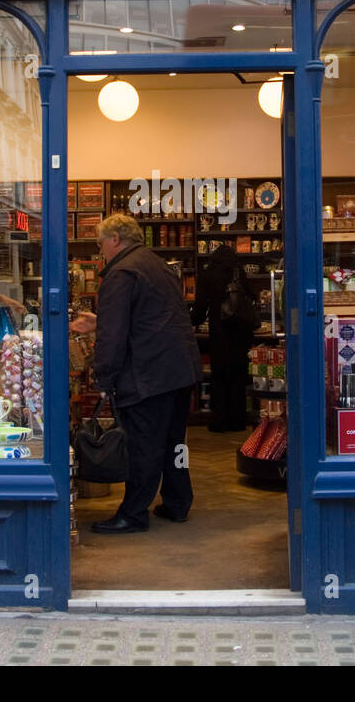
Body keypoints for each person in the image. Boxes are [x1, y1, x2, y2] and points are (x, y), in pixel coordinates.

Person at [69, 213, 202, 534]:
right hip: (179, 370)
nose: (100, 249)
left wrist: (103, 378)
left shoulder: (121, 272)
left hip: (148, 375)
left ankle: (133, 513)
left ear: (115, 239)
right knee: (174, 442)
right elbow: (151, 318)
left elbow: (114, 335)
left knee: (143, 446)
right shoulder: (157, 265)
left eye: (101, 242)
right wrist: (100, 320)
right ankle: (178, 501)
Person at [191, 244, 257, 432]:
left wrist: (190, 321)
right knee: (238, 376)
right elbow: (252, 295)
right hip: (241, 332)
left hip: (220, 332)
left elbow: (200, 308)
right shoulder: (238, 273)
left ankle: (220, 421)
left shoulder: (207, 275)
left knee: (219, 377)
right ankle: (238, 421)